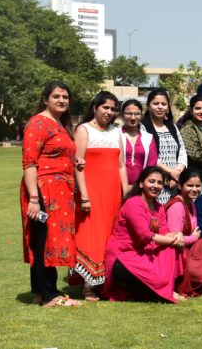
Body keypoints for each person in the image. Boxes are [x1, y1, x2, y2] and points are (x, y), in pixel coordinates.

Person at [21, 81, 81, 307]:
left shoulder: (61, 123)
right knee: (44, 242)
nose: (62, 100)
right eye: (56, 96)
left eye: (65, 97)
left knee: (46, 240)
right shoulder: (38, 123)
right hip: (44, 191)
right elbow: (29, 163)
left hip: (61, 192)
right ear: (45, 99)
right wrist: (34, 199)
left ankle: (40, 292)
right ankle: (49, 295)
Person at [73, 91, 130, 299]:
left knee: (110, 236)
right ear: (95, 107)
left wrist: (125, 193)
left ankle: (106, 281)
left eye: (113, 109)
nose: (109, 112)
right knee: (92, 235)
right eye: (105, 107)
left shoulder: (117, 132)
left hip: (113, 193)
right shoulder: (83, 130)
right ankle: (88, 285)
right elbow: (78, 165)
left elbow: (121, 165)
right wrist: (85, 196)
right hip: (92, 193)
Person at [102, 167, 185, 303]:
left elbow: (165, 231)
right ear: (141, 183)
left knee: (171, 248)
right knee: (161, 272)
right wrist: (173, 240)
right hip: (123, 256)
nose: (156, 186)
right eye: (151, 181)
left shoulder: (159, 206)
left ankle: (164, 288)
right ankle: (164, 289)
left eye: (159, 183)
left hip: (145, 254)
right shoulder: (133, 204)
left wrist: (177, 235)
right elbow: (145, 235)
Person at [164, 169, 202, 297]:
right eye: (190, 185)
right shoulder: (177, 206)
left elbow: (195, 231)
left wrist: (194, 237)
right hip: (177, 254)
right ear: (180, 186)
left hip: (188, 249)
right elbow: (175, 240)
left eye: (198, 186)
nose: (195, 189)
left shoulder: (191, 204)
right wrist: (194, 238)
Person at [142, 89, 187, 205]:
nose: (160, 107)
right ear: (148, 105)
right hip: (155, 183)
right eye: (156, 104)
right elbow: (149, 155)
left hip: (174, 183)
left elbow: (182, 151)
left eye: (163, 104)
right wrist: (170, 173)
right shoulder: (143, 127)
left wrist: (177, 173)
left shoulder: (172, 126)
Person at [120, 99, 157, 186]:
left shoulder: (148, 138)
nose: (133, 117)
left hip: (141, 188)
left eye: (137, 114)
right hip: (117, 185)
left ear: (141, 115)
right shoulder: (115, 134)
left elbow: (151, 166)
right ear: (122, 115)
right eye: (129, 114)